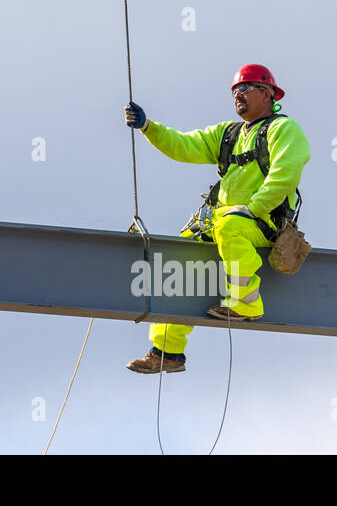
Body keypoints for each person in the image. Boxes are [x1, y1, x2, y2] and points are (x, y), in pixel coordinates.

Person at [121, 64, 310, 373]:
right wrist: (148, 127)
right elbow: (183, 146)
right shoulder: (228, 134)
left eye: (244, 89)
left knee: (230, 225)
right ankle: (167, 351)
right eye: (234, 91)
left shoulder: (283, 130)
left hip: (262, 223)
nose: (238, 96)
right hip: (227, 221)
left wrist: (253, 208)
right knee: (176, 257)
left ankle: (246, 303)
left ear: (267, 94)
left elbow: (285, 174)